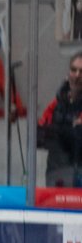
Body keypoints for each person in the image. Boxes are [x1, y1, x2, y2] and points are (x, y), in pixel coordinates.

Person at [38, 50, 82, 188]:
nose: (77, 75)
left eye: (81, 71)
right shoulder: (57, 102)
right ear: (68, 73)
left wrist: (59, 131)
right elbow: (40, 132)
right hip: (56, 173)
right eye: (74, 70)